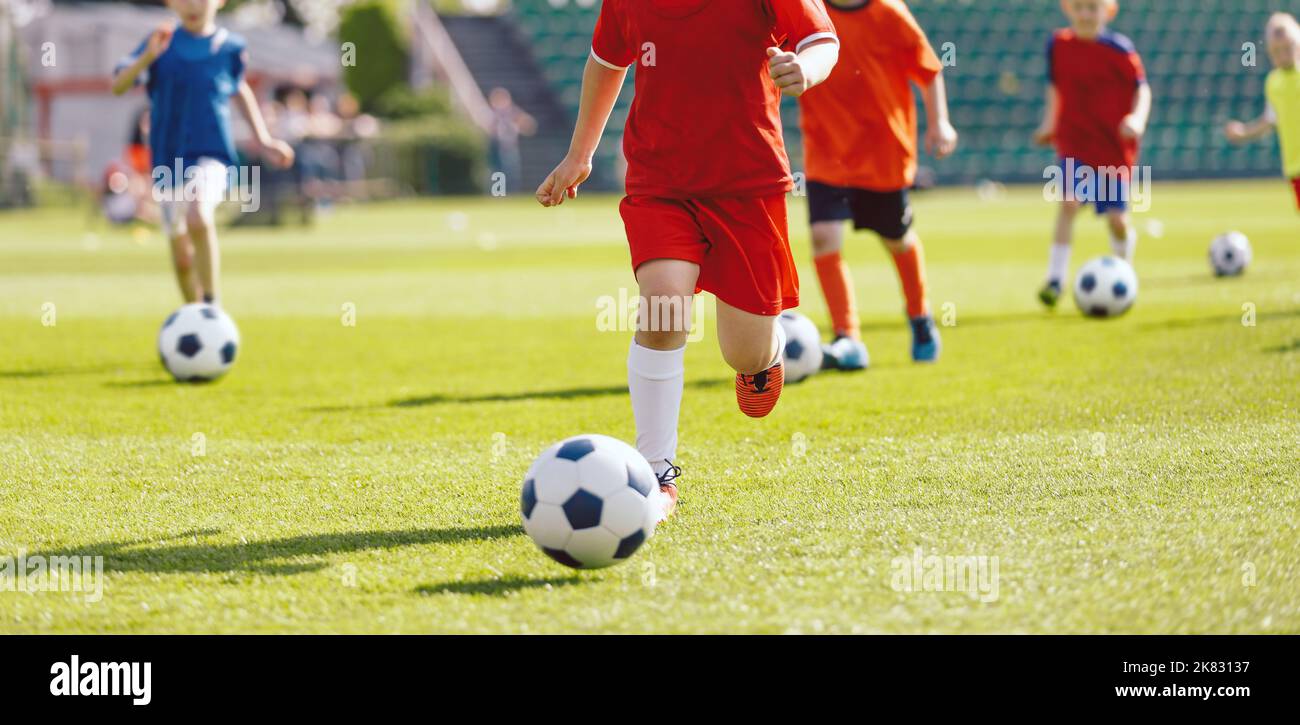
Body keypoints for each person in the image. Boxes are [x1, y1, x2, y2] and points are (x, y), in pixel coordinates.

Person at [535, 0, 839, 519]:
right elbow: (606, 63)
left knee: (743, 353)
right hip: (660, 182)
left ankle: (769, 352)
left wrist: (804, 69)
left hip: (749, 185)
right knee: (662, 311)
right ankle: (655, 473)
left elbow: (822, 40)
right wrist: (579, 154)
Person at [797, 0, 958, 367]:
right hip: (827, 153)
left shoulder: (890, 13)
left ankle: (920, 317)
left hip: (883, 154)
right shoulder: (808, 10)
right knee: (824, 237)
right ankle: (847, 338)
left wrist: (940, 123)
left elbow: (930, 71)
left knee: (897, 240)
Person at [111, 0, 294, 304]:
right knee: (182, 257)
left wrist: (263, 138)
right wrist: (147, 57)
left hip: (213, 154)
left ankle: (211, 304)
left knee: (198, 214)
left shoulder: (229, 47)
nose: (193, 5)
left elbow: (240, 88)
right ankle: (194, 314)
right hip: (168, 161)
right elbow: (118, 85)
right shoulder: (161, 42)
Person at [1033, 0, 1150, 308]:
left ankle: (1124, 273)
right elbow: (1055, 87)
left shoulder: (1120, 49)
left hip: (1112, 147)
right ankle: (1055, 280)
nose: (1085, 14)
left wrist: (1136, 119)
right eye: (1079, 7)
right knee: (1069, 202)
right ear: (1068, 9)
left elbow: (1142, 89)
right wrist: (1049, 122)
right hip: (1075, 141)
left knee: (1117, 221)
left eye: (1092, 7)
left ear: (1108, 12)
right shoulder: (1057, 44)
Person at [1225, 12, 1300, 211]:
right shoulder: (1273, 83)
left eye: (1288, 47)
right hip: (1294, 167)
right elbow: (1270, 120)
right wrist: (1244, 132)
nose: (1283, 55)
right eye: (1276, 51)